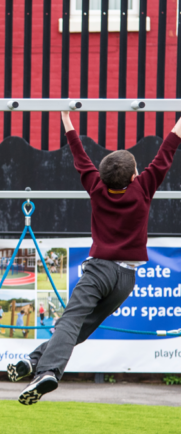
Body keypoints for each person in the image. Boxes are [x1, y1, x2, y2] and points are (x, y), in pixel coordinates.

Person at [9, 110, 181, 405]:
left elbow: (79, 156)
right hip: (126, 281)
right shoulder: (143, 188)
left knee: (70, 320)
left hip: (100, 270)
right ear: (135, 175)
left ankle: (48, 371)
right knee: (81, 327)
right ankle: (34, 361)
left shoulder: (97, 187)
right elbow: (167, 151)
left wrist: (66, 118)